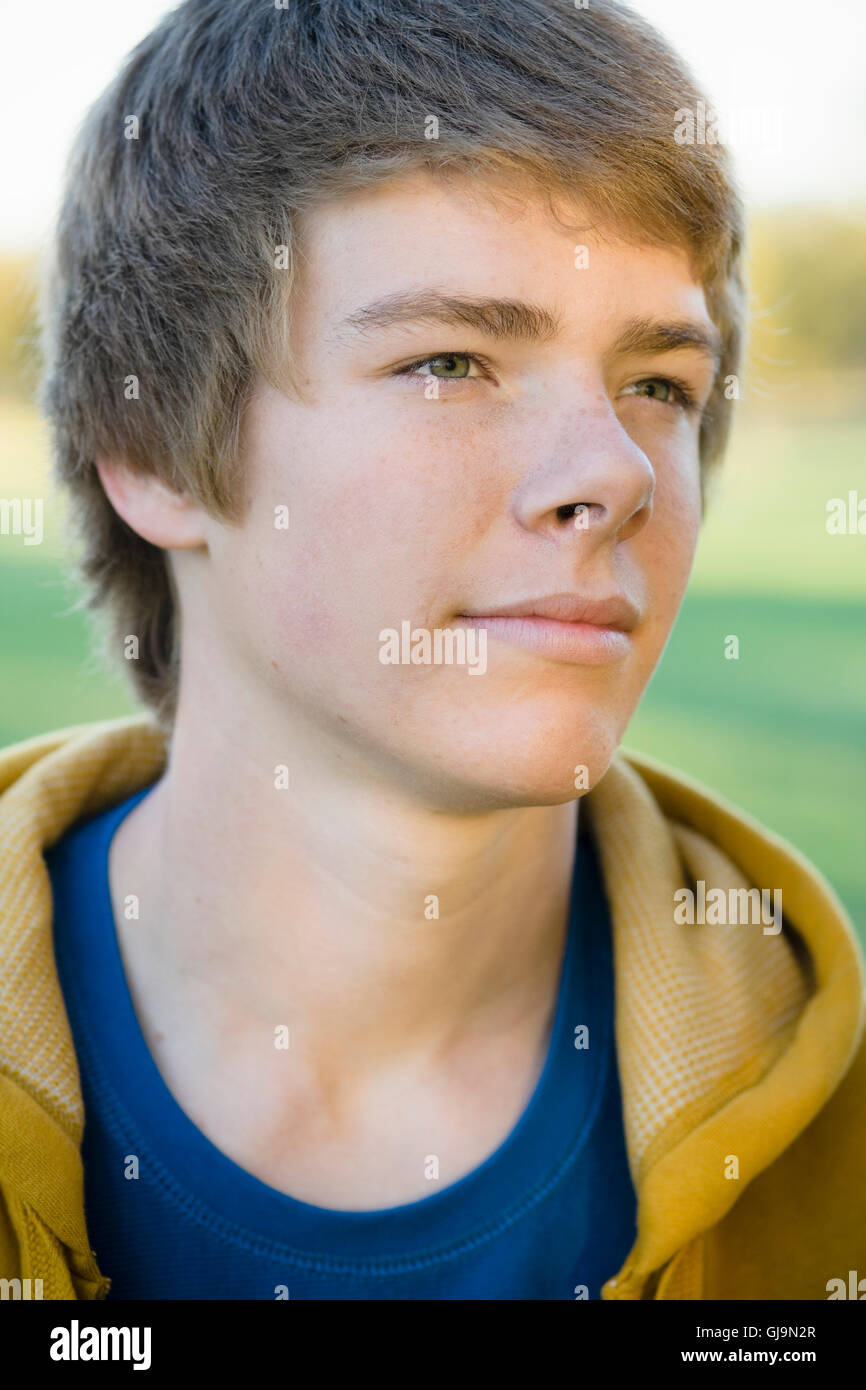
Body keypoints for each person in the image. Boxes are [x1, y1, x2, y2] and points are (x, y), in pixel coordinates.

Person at [0, 0, 862, 1302]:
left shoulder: (834, 1140)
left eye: (656, 384)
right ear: (151, 450)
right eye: (451, 360)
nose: (613, 474)